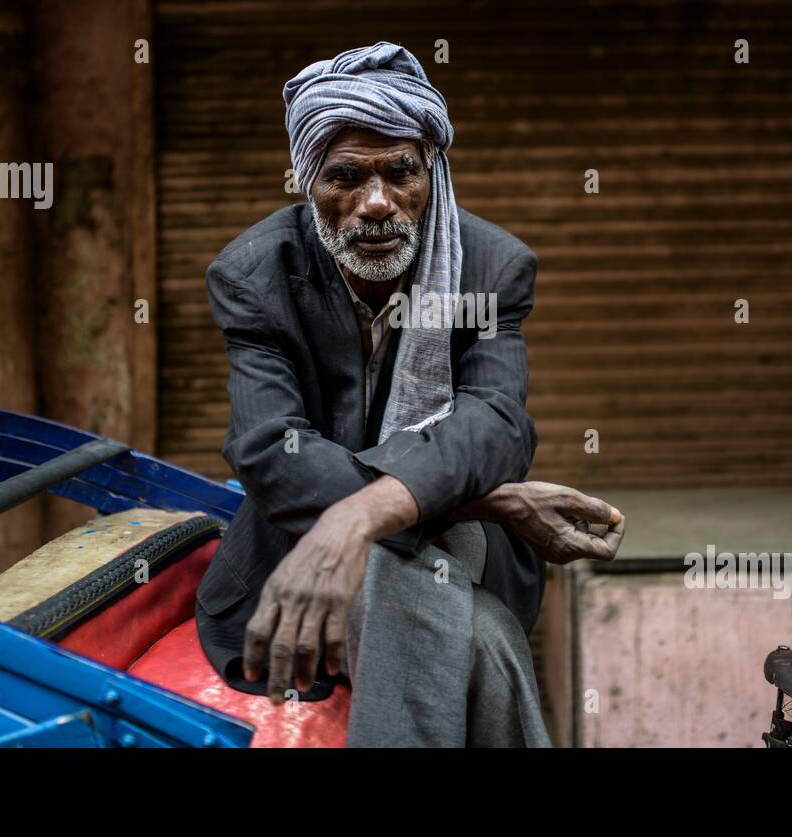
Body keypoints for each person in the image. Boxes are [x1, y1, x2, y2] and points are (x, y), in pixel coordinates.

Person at [195, 42, 623, 747]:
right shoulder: (254, 273)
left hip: (458, 547)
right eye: (345, 176)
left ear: (433, 170)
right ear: (307, 179)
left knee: (389, 562)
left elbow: (496, 426)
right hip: (301, 546)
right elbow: (271, 452)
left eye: (400, 172)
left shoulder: (491, 265)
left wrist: (358, 518)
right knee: (472, 631)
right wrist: (486, 498)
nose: (375, 203)